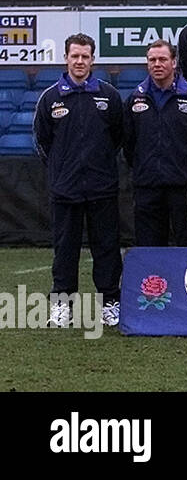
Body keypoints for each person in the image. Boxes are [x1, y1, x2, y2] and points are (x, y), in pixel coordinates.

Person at [34, 33, 124, 327]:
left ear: (93, 60)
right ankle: (62, 306)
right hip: (66, 189)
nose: (80, 61)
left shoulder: (108, 96)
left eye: (85, 56)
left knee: (107, 248)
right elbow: (43, 142)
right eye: (75, 56)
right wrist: (62, 169)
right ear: (66, 58)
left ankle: (111, 303)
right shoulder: (50, 98)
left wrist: (98, 165)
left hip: (102, 187)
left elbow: (117, 138)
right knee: (65, 250)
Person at [123, 39, 187, 247]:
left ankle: (186, 281)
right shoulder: (135, 99)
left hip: (185, 186)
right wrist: (143, 168)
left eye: (163, 59)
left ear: (174, 62)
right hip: (147, 186)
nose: (157, 64)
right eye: (152, 60)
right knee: (149, 247)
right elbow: (128, 144)